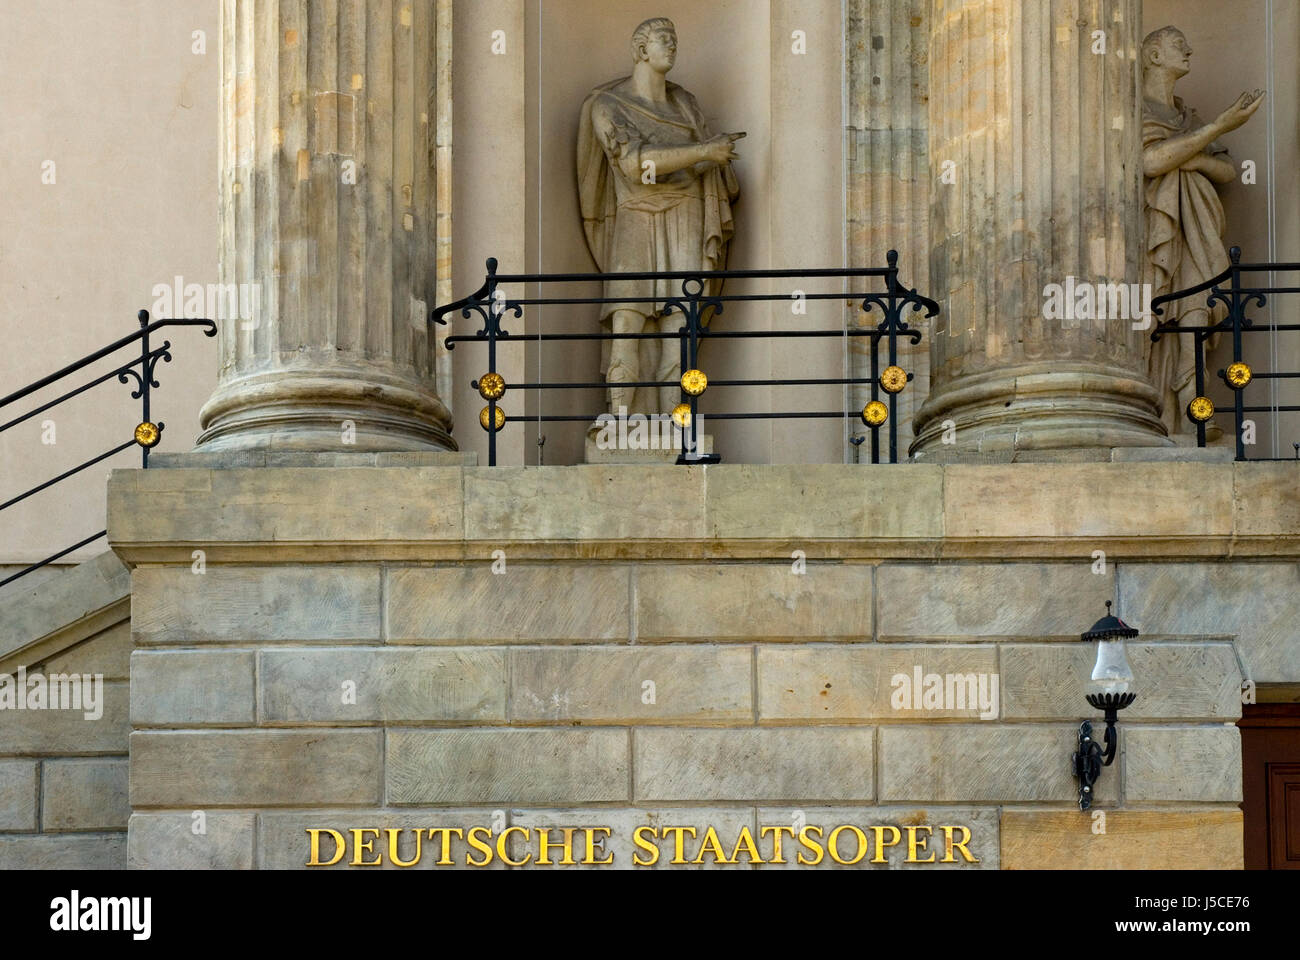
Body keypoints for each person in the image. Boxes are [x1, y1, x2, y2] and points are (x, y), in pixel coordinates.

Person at [577, 17, 742, 418]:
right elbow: (635, 166)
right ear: (640, 49)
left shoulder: (686, 104)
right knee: (627, 319)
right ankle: (619, 423)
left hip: (687, 214)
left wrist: (714, 159)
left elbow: (720, 177)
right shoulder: (608, 105)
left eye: (675, 40)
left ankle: (677, 422)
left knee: (680, 323)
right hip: (634, 217)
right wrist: (704, 152)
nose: (673, 47)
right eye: (664, 39)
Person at [1141, 25, 1263, 435]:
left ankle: (1195, 409)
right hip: (1155, 232)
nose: (1190, 49)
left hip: (1199, 230)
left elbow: (1226, 170)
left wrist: (1192, 158)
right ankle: (1161, 410)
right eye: (1179, 44)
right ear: (1154, 55)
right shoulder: (1137, 110)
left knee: (1197, 307)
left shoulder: (1187, 116)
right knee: (1162, 314)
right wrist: (1218, 128)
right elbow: (1152, 162)